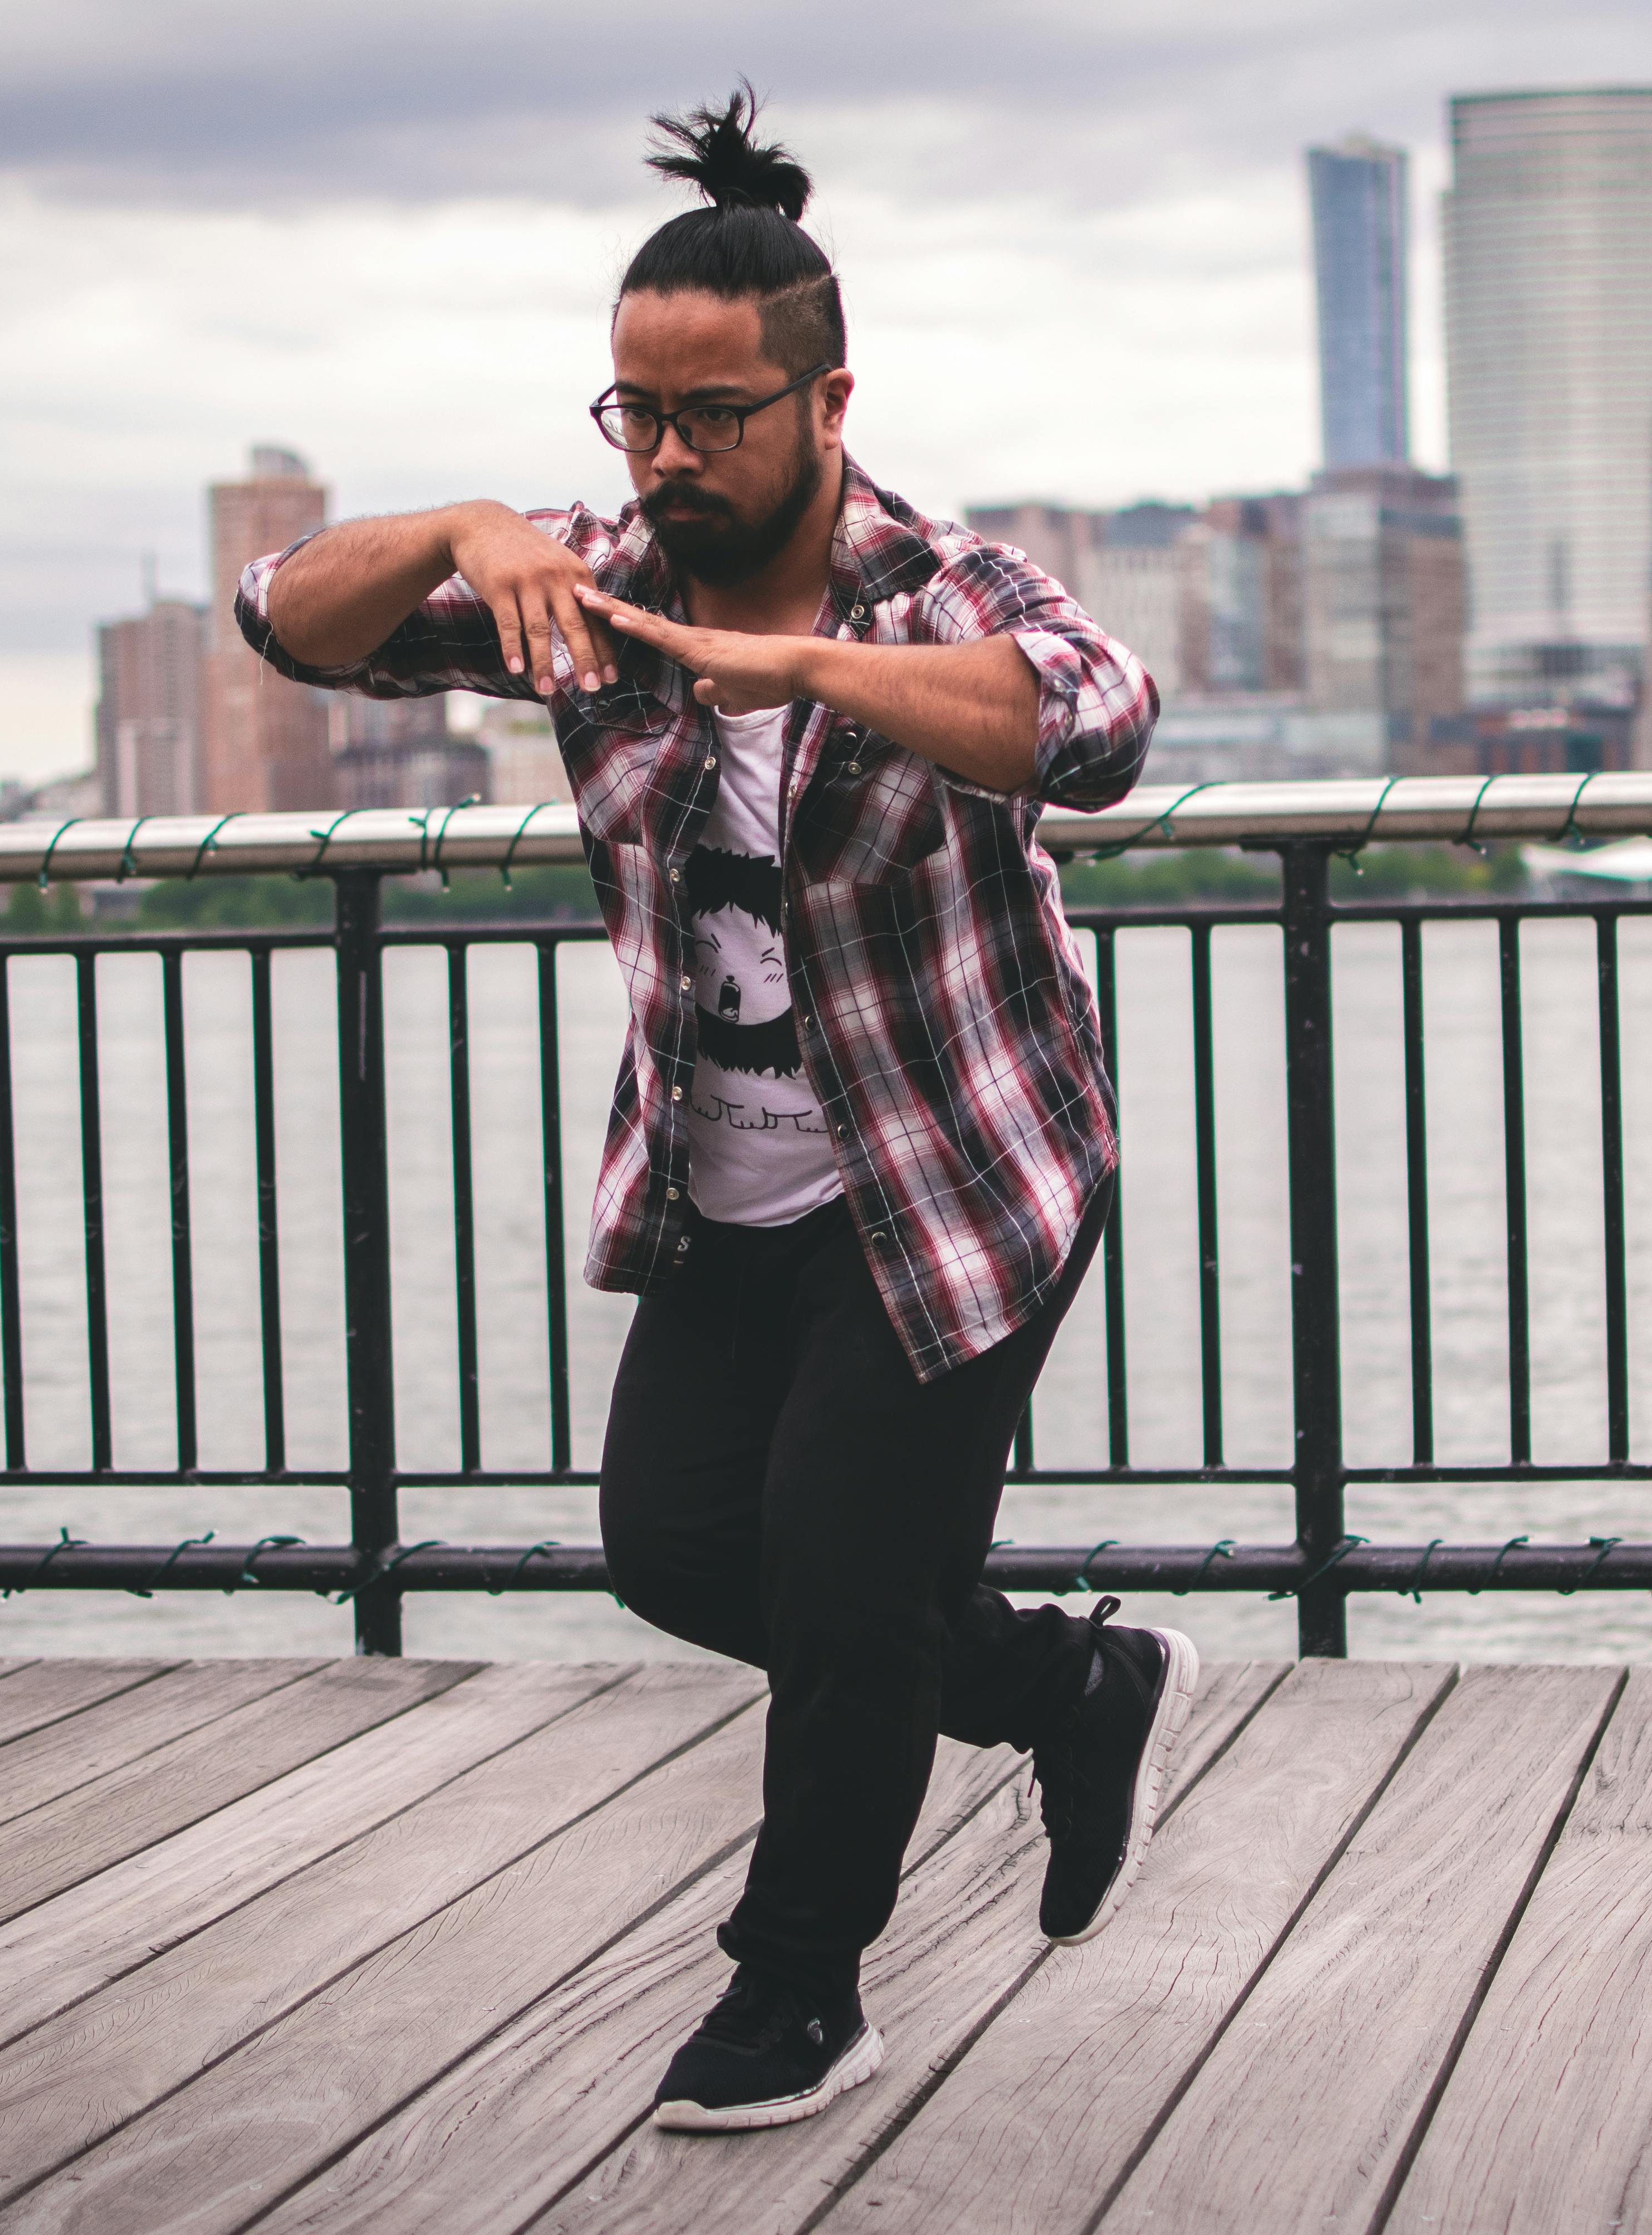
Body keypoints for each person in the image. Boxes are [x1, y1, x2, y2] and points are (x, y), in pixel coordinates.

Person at [236, 87, 1197, 2135]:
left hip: (968, 1175)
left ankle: (793, 1996)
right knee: (678, 1547)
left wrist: (806, 676)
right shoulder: (579, 584)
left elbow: (1097, 724)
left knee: (848, 1586)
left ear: (827, 400)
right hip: (730, 1185)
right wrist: (464, 530)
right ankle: (1057, 1687)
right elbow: (287, 618)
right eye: (633, 418)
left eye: (715, 418)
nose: (669, 460)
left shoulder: (941, 588)